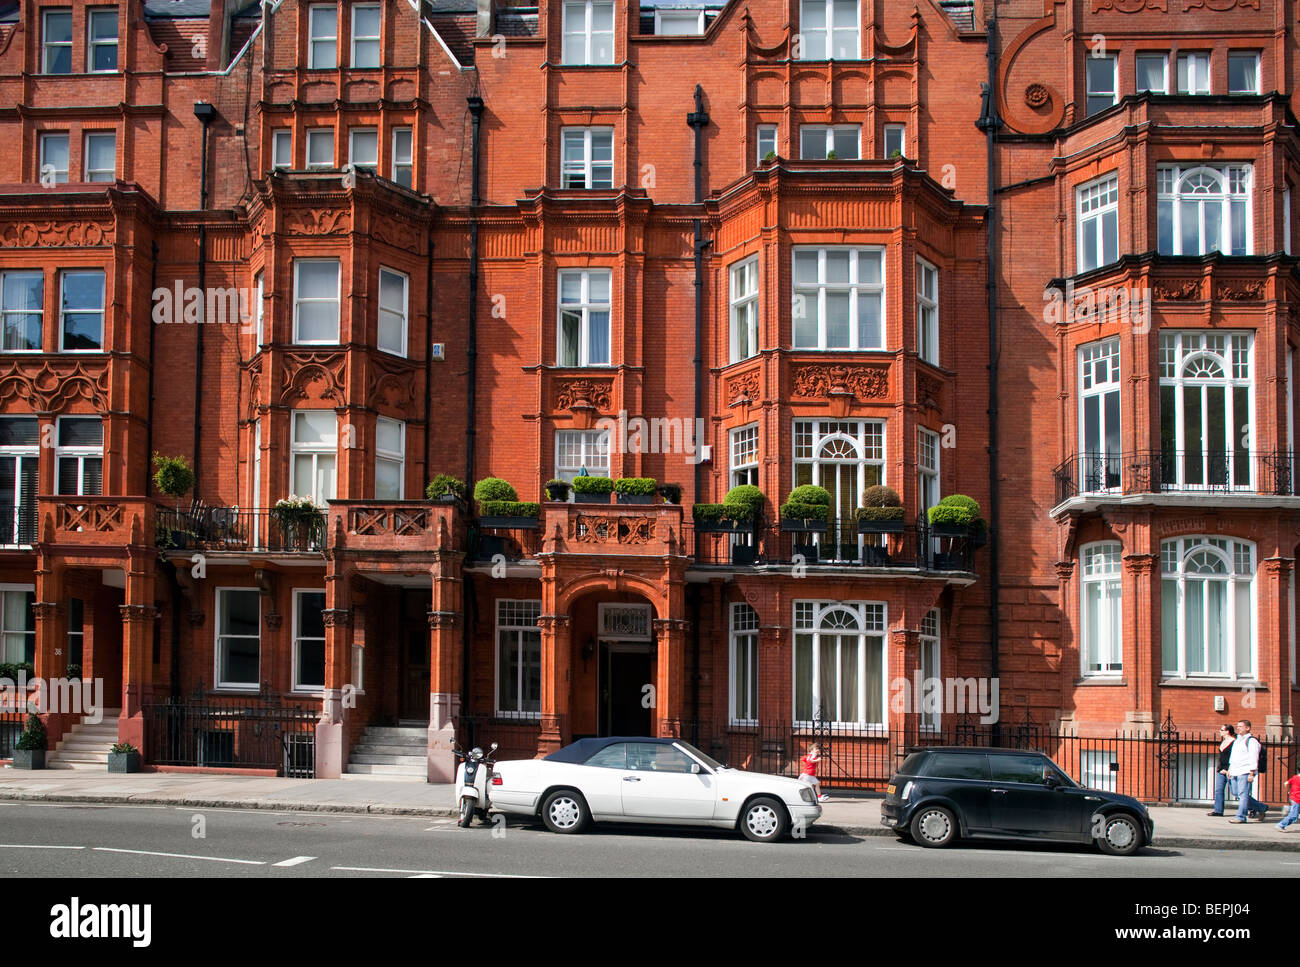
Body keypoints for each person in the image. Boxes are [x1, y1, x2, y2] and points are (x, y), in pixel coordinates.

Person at [1228, 719, 1269, 824]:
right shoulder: (1237, 740)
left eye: (1240, 726)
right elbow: (1233, 757)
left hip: (1245, 771)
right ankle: (1261, 808)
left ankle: (1240, 816)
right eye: (1237, 726)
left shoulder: (1252, 741)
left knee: (1242, 794)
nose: (1238, 728)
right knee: (1236, 793)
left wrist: (1251, 773)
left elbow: (1254, 757)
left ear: (1248, 728)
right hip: (1234, 771)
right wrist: (1230, 769)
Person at [1207, 724, 1236, 816]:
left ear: (1227, 731)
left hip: (1230, 770)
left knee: (1236, 792)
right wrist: (1220, 768)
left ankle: (1257, 807)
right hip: (1221, 770)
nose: (1220, 731)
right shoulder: (1223, 741)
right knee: (1219, 790)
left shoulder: (1234, 742)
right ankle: (1218, 810)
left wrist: (1228, 769)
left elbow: (1234, 758)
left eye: (1222, 729)